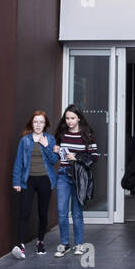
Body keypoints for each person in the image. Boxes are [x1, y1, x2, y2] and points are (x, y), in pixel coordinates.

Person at [11, 110, 57, 259]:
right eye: (35, 122)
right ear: (32, 123)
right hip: (28, 180)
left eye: (41, 122)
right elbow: (18, 161)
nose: (38, 125)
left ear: (45, 124)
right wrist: (16, 181)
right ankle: (21, 245)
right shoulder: (24, 140)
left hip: (45, 179)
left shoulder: (50, 139)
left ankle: (40, 242)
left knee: (43, 213)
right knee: (24, 212)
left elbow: (54, 160)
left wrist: (46, 146)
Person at [53, 104, 96, 256]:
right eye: (67, 118)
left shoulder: (87, 134)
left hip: (79, 176)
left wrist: (77, 157)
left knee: (77, 212)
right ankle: (64, 244)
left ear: (79, 118)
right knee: (61, 211)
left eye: (72, 118)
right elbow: (55, 157)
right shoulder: (61, 134)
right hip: (63, 174)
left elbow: (94, 157)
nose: (70, 121)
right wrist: (55, 151)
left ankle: (79, 244)